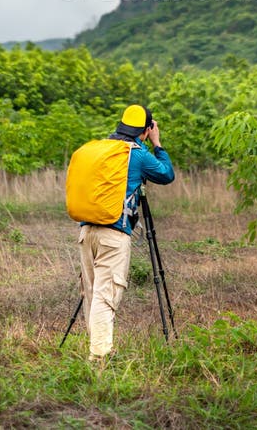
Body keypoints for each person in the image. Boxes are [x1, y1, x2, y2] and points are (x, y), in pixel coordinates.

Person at [78, 104, 175, 361]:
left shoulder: (102, 149)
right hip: (114, 234)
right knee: (105, 297)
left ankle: (98, 348)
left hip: (86, 231)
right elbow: (166, 175)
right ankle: (99, 357)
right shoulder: (138, 155)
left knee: (93, 293)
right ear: (145, 130)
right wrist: (158, 143)